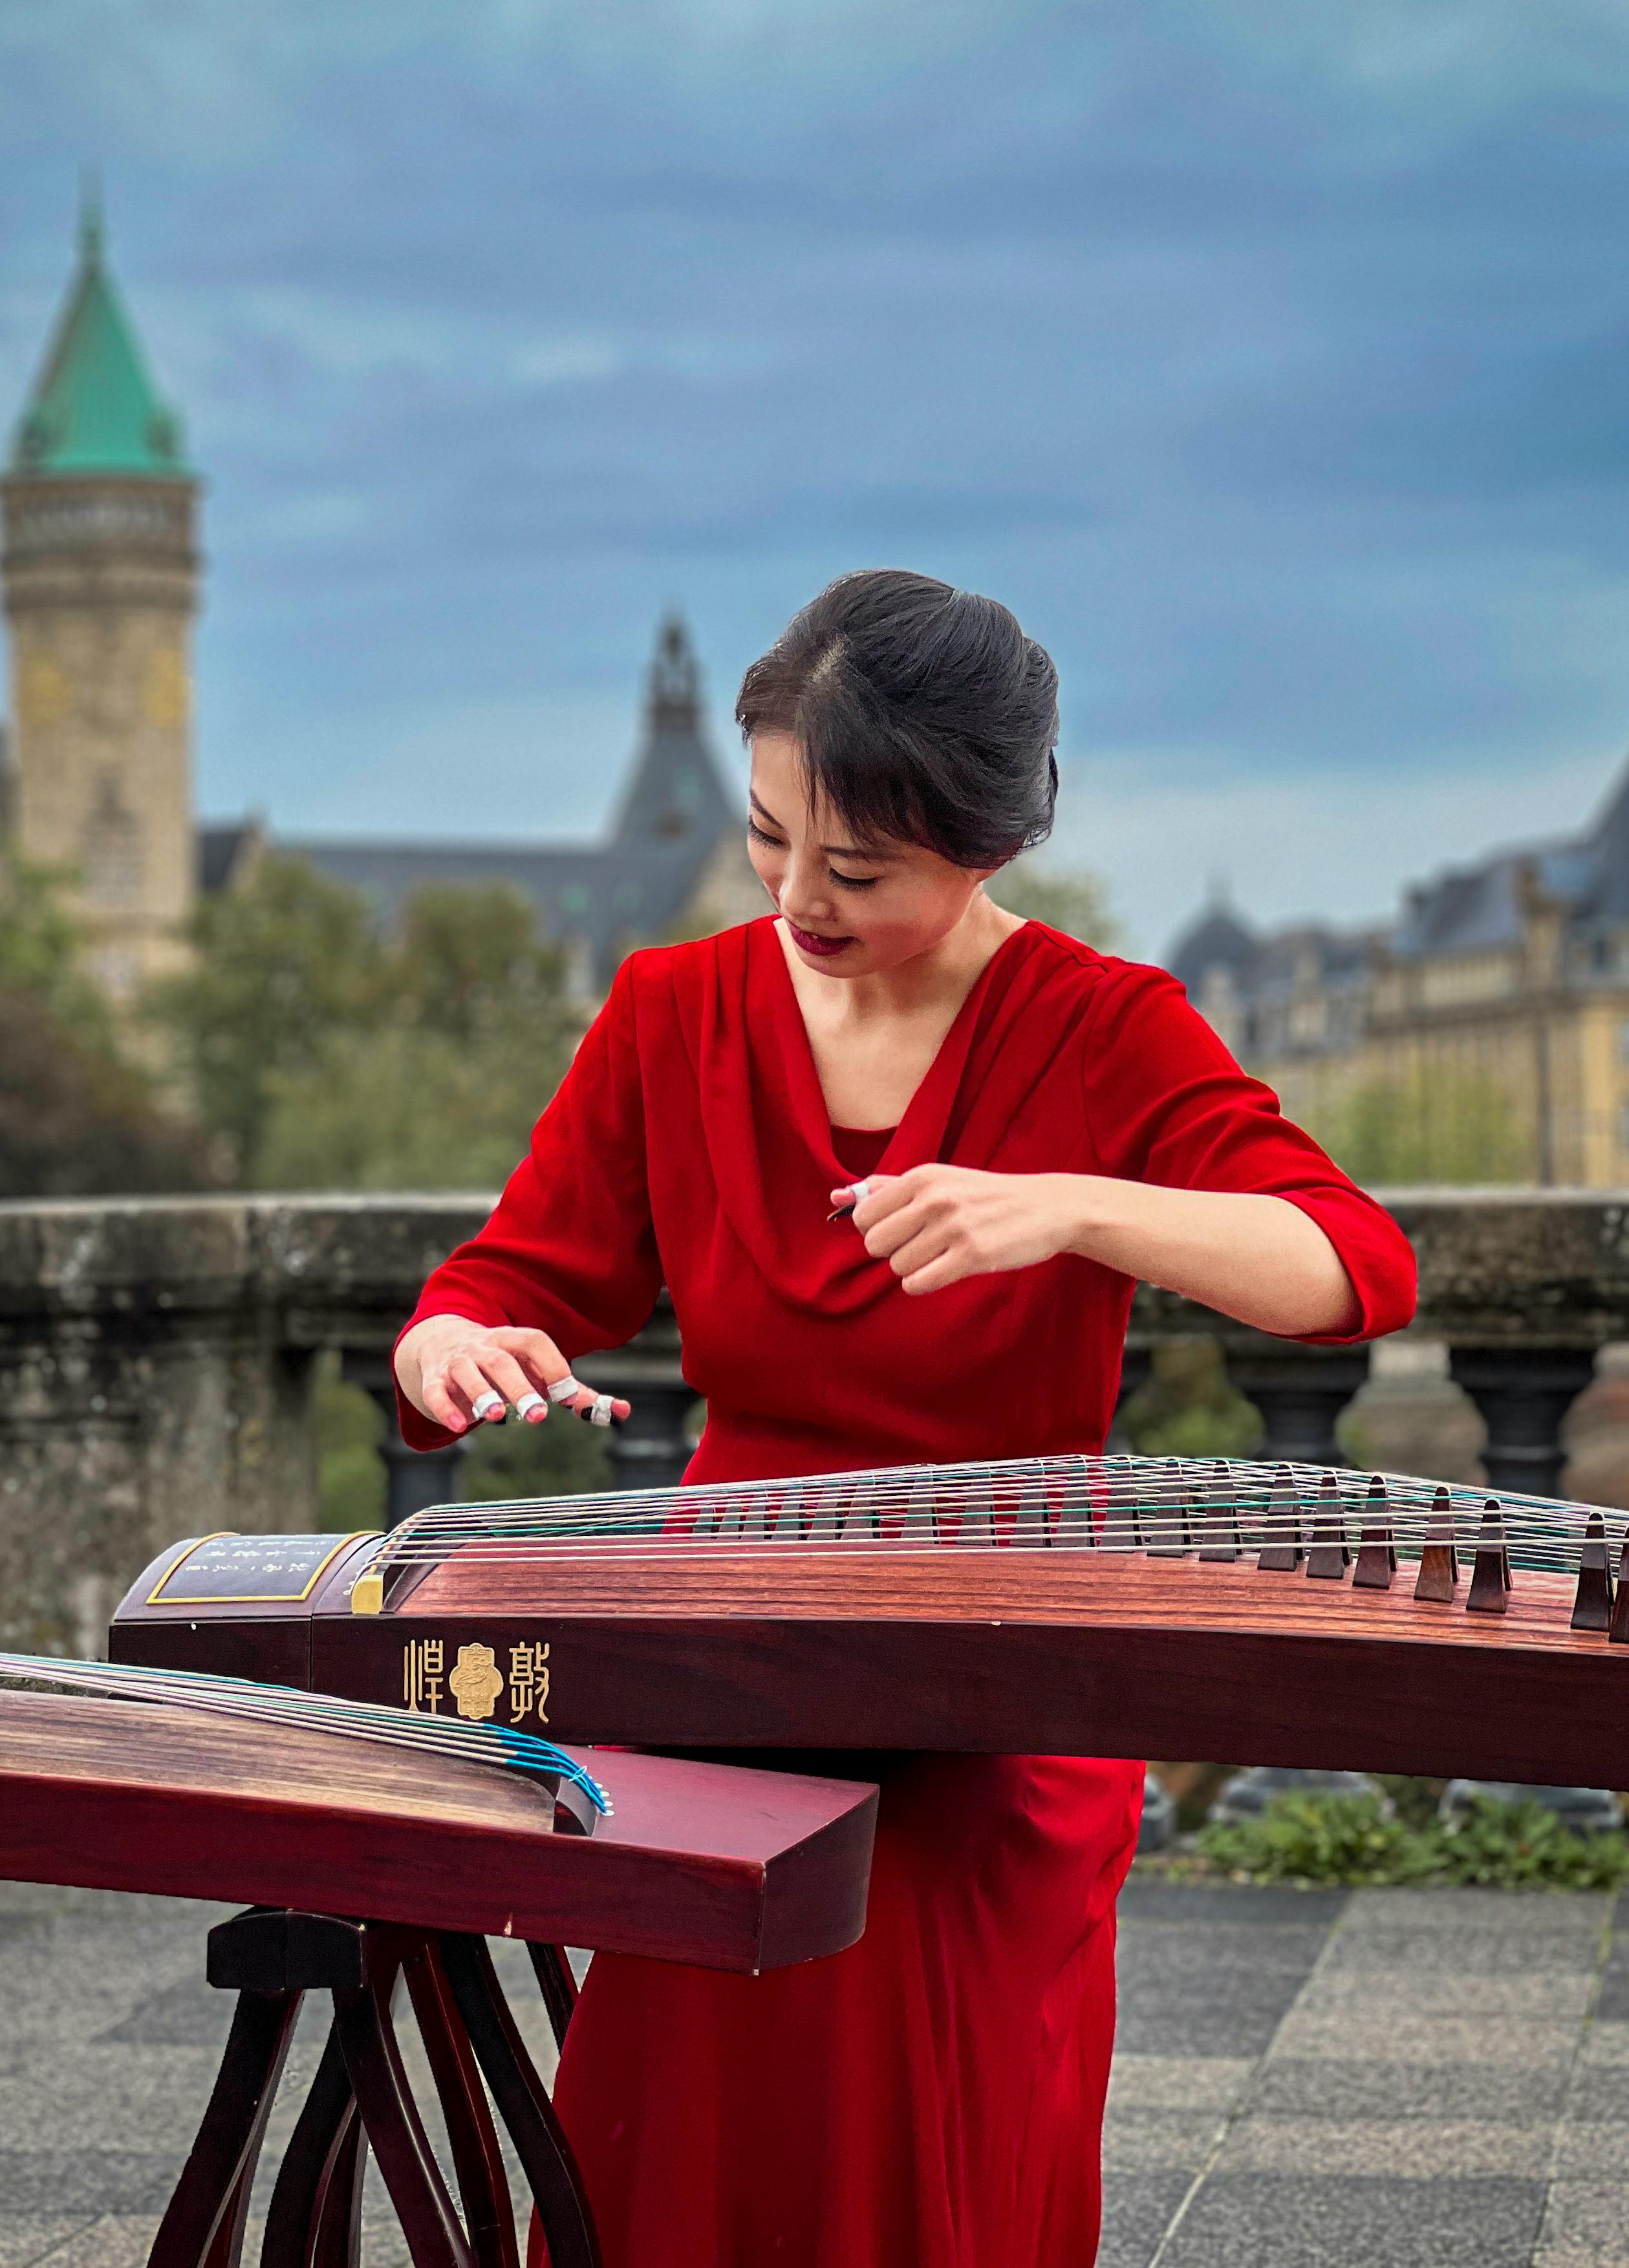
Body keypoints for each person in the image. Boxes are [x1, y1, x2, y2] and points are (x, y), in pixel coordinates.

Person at [393, 569, 1416, 2268]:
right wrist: (457, 1340)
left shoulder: (1104, 1026)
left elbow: (1351, 1265)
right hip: (728, 1650)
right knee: (698, 2123)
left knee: (954, 2123)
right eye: (771, 839)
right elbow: (514, 1272)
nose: (796, 895)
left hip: (1001, 1669)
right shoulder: (672, 1009)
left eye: (856, 869)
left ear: (984, 845)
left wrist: (1075, 1206)